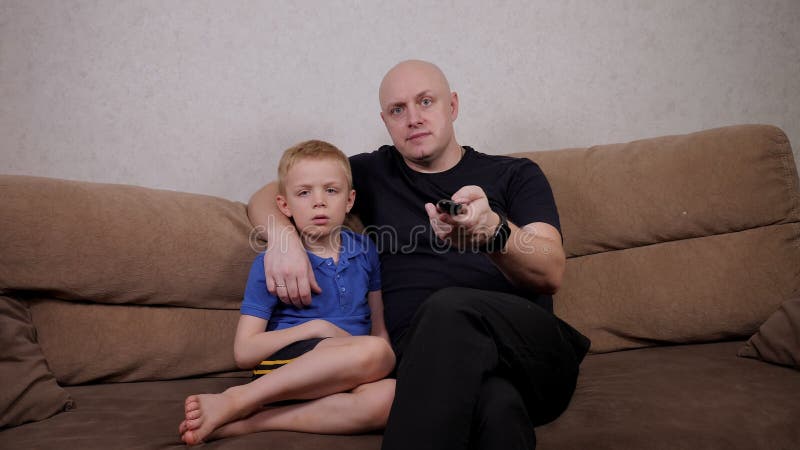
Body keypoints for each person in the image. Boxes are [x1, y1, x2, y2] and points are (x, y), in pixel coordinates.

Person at [248, 60, 591, 449]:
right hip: (434, 367)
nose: (413, 118)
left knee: (449, 308)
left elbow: (550, 270)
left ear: (453, 106)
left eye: (426, 101)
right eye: (398, 110)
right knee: (497, 408)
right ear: (385, 121)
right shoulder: (373, 173)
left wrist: (493, 232)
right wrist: (283, 239)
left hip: (530, 353)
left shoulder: (514, 174)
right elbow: (269, 194)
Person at [179, 140, 396, 445]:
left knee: (390, 397)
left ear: (350, 201)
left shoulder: (365, 251)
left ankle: (250, 423)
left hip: (348, 373)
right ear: (284, 205)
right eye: (304, 193)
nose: (318, 202)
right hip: (285, 371)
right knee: (375, 351)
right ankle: (241, 398)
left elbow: (378, 325)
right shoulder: (272, 263)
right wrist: (316, 329)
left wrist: (382, 366)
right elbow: (244, 352)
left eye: (331, 190)